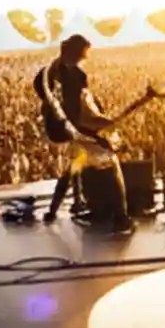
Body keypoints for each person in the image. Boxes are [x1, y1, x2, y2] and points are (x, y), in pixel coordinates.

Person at [36, 35, 134, 235]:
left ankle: (52, 212)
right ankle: (122, 219)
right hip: (84, 133)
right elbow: (84, 113)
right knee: (113, 164)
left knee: (71, 170)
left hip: (70, 133)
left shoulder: (52, 71)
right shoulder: (78, 76)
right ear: (80, 51)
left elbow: (45, 91)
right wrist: (105, 124)